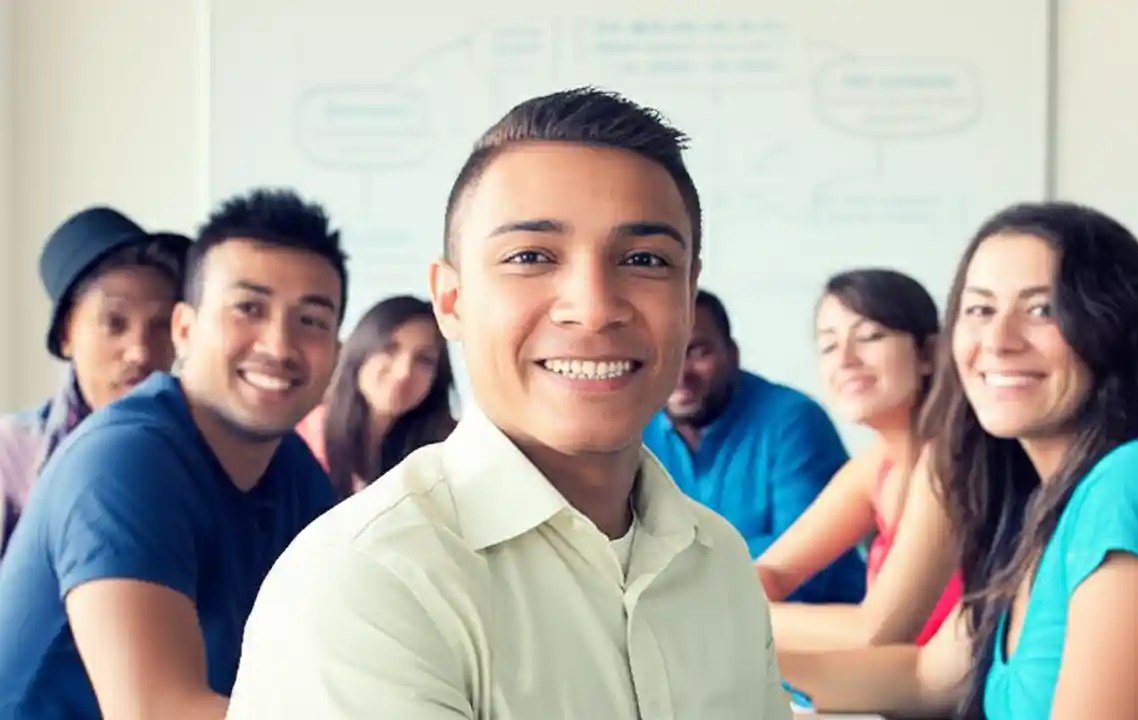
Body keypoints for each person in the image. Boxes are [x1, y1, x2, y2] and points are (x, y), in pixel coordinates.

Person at [226, 87, 793, 719]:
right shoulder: (372, 579)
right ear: (451, 300)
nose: (594, 306)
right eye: (531, 257)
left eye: (644, 259)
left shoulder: (718, 560)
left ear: (689, 301)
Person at [776, 202, 1138, 719]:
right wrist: (719, 664)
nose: (998, 341)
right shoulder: (1039, 503)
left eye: (1042, 309)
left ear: (1112, 326)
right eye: (980, 309)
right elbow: (925, 677)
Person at [0, 189, 345, 719]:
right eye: (248, 308)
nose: (278, 345)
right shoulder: (123, 459)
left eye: (311, 320)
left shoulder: (294, 471)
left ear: (337, 353)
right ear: (185, 329)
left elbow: (344, 644)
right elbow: (156, 714)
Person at [757, 269, 964, 650]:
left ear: (929, 354)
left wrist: (731, 613)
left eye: (870, 336)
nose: (846, 360)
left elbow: (875, 632)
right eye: (829, 346)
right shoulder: (877, 465)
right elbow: (771, 573)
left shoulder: (951, 461)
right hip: (894, 691)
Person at [643, 289, 864, 603]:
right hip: (691, 632)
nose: (679, 374)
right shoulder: (632, 430)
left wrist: (667, 568)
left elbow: (808, 573)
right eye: (662, 353)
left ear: (732, 354)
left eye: (696, 351)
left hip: (813, 634)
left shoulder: (792, 421)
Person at [0, 207, 189, 555]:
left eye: (161, 324)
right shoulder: (12, 453)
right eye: (114, 323)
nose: (140, 352)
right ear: (66, 334)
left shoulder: (204, 454)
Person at [296, 294, 457, 498]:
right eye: (390, 349)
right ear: (360, 351)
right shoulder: (302, 440)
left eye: (424, 360)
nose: (403, 372)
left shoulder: (441, 456)